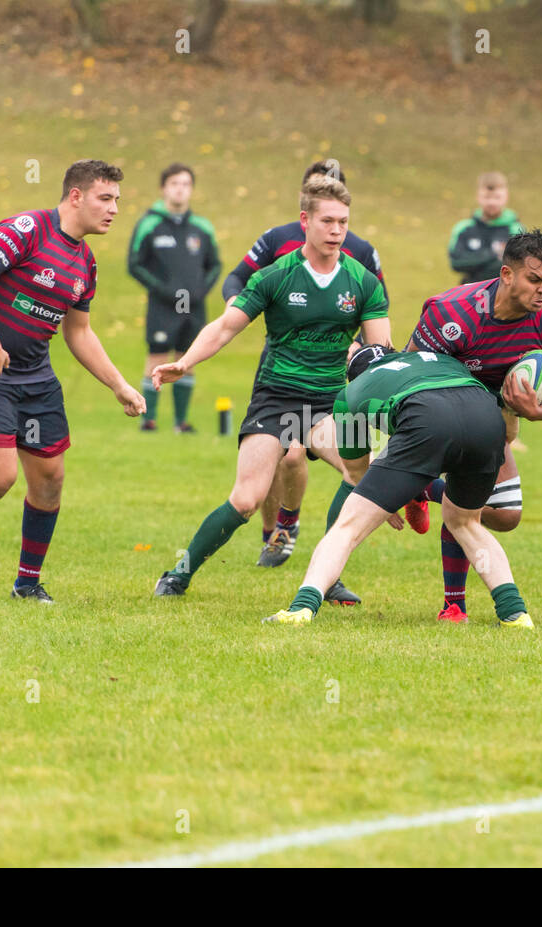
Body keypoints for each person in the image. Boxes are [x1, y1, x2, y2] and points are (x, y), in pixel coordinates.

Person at [152, 175, 391, 601]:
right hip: (277, 396)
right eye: (329, 222)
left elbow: (381, 353)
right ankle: (178, 574)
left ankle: (327, 575)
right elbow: (226, 327)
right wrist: (184, 362)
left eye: (344, 223)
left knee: (363, 475)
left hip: (333, 398)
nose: (338, 232)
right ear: (306, 221)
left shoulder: (363, 281)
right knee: (246, 499)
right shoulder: (276, 276)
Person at [0, 160, 145, 601]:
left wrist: (119, 385)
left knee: (50, 478)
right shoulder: (27, 229)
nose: (114, 209)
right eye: (105, 198)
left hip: (35, 376)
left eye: (117, 200)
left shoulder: (86, 264)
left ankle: (27, 583)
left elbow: (78, 332)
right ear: (75, 196)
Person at [264, 346, 532, 627]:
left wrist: (384, 499)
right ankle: (515, 613)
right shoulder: (436, 357)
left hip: (426, 418)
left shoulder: (351, 392)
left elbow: (355, 470)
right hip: (487, 419)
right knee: (466, 523)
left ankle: (302, 608)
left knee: (348, 526)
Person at [220, 159, 388, 569]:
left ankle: (293, 529)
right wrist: (234, 311)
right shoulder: (277, 241)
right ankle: (273, 532)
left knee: (315, 457)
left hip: (332, 374)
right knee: (280, 456)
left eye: (341, 217)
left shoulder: (361, 252)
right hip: (282, 367)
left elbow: (377, 315)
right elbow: (236, 279)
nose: (334, 227)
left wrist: (362, 351)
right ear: (307, 203)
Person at [409, 228, 542, 623]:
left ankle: (422, 489)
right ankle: (454, 604)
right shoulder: (453, 313)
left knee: (506, 514)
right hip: (442, 410)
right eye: (534, 280)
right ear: (506, 275)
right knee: (463, 504)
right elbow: (409, 374)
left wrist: (536, 412)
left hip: (494, 422)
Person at [128, 162, 221, 433]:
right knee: (157, 356)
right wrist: (162, 289)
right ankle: (149, 419)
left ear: (191, 190)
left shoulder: (202, 227)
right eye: (175, 184)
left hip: (194, 306)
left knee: (186, 359)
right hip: (162, 306)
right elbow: (135, 264)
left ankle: (181, 422)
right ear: (163, 188)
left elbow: (214, 264)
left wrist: (202, 290)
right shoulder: (149, 224)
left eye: (186, 184)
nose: (180, 190)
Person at [447, 172, 523, 285]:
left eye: (497, 197)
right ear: (478, 197)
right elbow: (457, 263)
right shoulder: (463, 228)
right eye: (487, 197)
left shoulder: (517, 231)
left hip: (504, 295)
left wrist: (475, 261)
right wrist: (494, 255)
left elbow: (519, 267)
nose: (492, 202)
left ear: (506, 197)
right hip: (470, 294)